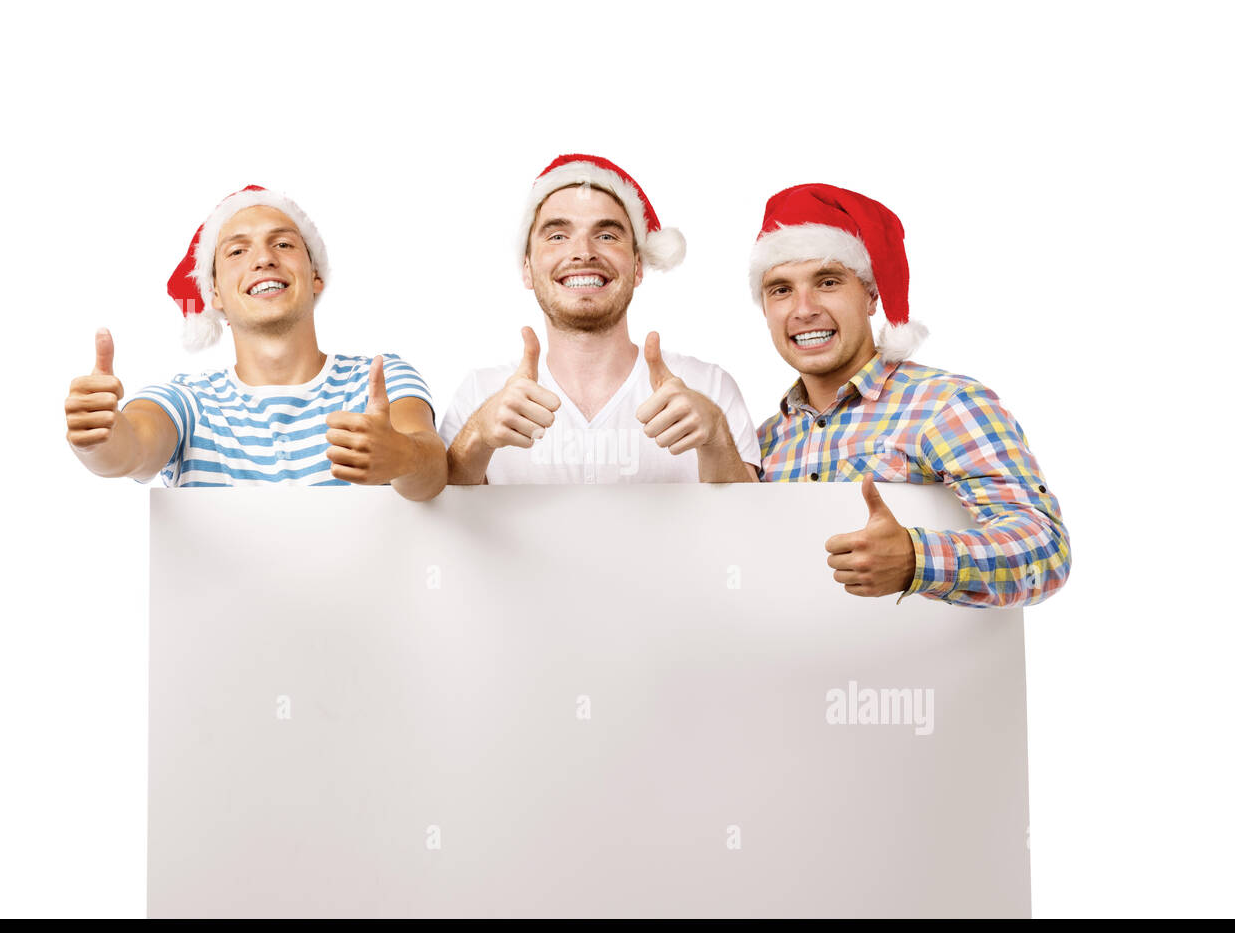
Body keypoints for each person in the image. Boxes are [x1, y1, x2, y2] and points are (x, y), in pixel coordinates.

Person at [750, 183, 1069, 606]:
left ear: (870, 295)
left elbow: (1046, 551)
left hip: (921, 673)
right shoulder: (765, 441)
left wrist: (917, 560)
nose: (803, 308)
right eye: (781, 289)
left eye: (827, 281)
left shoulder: (946, 406)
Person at [64, 186, 446, 498]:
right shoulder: (188, 402)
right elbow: (129, 451)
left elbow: (433, 471)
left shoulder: (379, 379)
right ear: (214, 294)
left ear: (315, 276)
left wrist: (404, 456)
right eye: (237, 251)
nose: (263, 259)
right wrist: (99, 437)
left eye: (283, 245)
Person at [441, 154, 759, 484]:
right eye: (557, 236)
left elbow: (751, 529)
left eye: (606, 236)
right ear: (527, 269)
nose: (583, 252)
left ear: (638, 267)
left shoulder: (709, 388)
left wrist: (716, 438)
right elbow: (438, 527)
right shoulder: (479, 393)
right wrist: (477, 435)